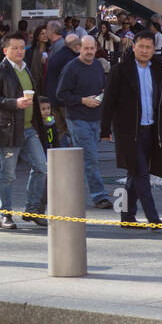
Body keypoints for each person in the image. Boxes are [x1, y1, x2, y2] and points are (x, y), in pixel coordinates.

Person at [101, 31, 162, 228]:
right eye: (142, 47)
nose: (145, 51)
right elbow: (109, 101)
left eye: (149, 47)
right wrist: (105, 129)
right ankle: (153, 218)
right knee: (141, 173)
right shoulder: (120, 70)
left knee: (135, 173)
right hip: (128, 131)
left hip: (151, 130)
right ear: (134, 47)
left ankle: (127, 216)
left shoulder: (157, 69)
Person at [0, 33, 49, 229]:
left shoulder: (26, 69)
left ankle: (32, 209)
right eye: (15, 48)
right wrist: (14, 103)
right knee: (8, 173)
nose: (20, 51)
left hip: (29, 128)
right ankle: (5, 214)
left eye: (22, 47)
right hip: (8, 129)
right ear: (5, 51)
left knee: (41, 167)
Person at [56, 35, 112, 209]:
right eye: (86, 48)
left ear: (96, 48)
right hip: (78, 118)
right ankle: (99, 196)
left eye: (92, 48)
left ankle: (65, 189)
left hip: (95, 118)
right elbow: (61, 94)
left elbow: (102, 87)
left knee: (84, 159)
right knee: (91, 158)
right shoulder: (71, 68)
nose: (89, 51)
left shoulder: (97, 65)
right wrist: (82, 100)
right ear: (79, 48)